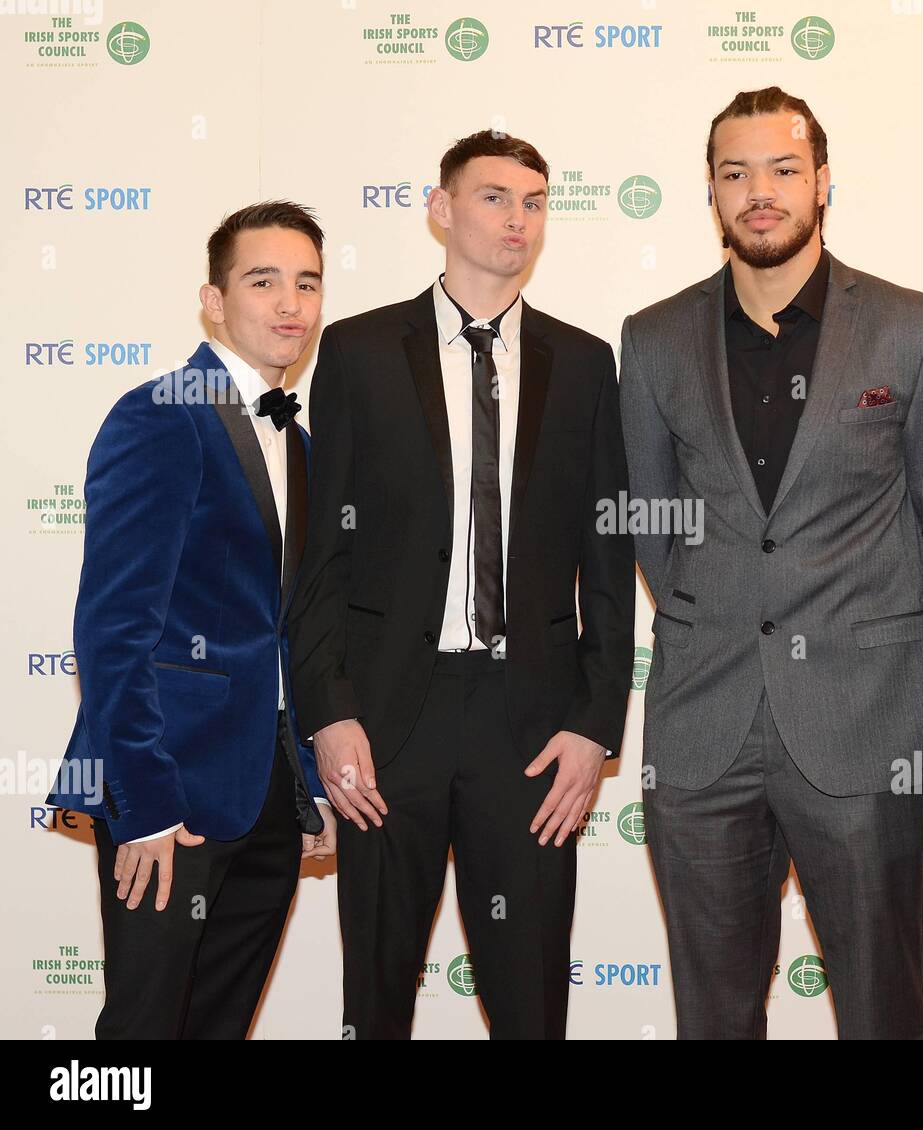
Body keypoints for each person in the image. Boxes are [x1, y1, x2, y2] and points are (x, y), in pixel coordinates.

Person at [618, 87, 923, 1039]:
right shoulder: (653, 339)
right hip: (705, 727)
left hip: (867, 728)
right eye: (735, 174)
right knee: (714, 1011)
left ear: (823, 182)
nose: (760, 192)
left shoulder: (915, 329)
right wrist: (712, 613)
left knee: (880, 1007)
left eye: (783, 170)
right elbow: (655, 527)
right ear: (711, 192)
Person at [289, 130, 635, 1040]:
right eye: (492, 197)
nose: (515, 219)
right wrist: (327, 712)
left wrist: (595, 724)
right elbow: (320, 552)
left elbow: (607, 565)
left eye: (532, 201)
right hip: (385, 721)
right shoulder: (359, 352)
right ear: (440, 209)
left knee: (529, 1001)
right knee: (376, 994)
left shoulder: (586, 363)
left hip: (530, 727)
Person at [47, 200, 335, 1039]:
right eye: (263, 280)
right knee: (140, 1035)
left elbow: (284, 632)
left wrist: (307, 784)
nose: (291, 303)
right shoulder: (162, 413)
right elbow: (112, 629)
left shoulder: (302, 443)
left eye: (308, 283)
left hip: (269, 798)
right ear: (213, 300)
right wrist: (143, 806)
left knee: (219, 1024)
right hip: (167, 793)